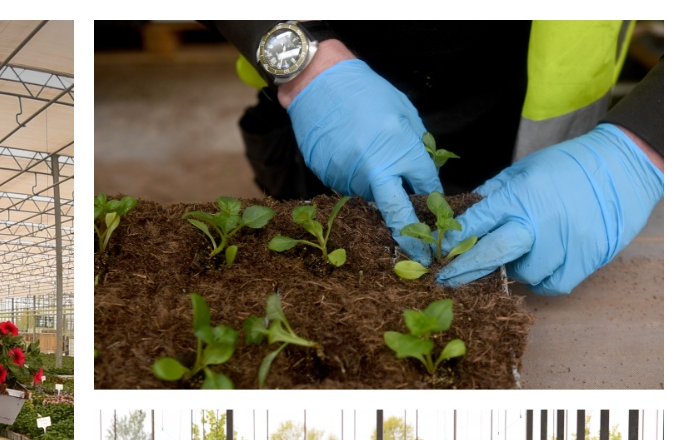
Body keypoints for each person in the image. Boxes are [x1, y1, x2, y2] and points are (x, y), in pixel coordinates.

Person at [209, 21, 664, 295]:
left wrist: (644, 142)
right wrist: (301, 60)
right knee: (317, 257)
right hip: (324, 117)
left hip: (546, 149)